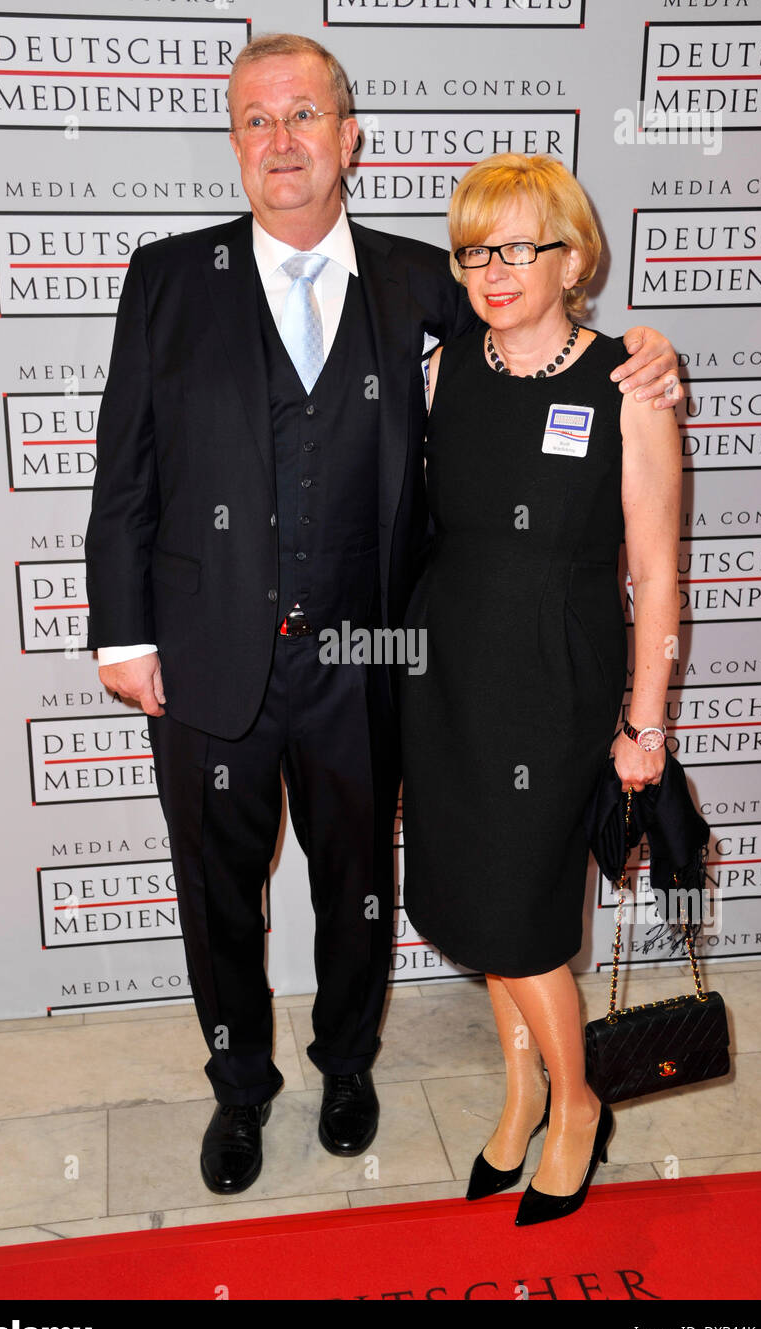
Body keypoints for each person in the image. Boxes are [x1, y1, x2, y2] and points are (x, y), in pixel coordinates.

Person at [84, 35, 681, 1197]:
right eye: (255, 120)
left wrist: (645, 352)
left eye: (304, 114)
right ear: (234, 145)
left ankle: (347, 1066)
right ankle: (240, 1089)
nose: (281, 140)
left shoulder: (428, 282)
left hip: (372, 656)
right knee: (216, 892)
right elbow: (124, 471)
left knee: (356, 881)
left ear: (348, 138)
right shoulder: (167, 277)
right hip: (206, 661)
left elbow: (543, 345)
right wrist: (125, 632)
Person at [399, 152, 682, 1225]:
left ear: (575, 259)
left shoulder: (626, 381)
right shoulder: (444, 370)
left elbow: (655, 571)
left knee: (522, 924)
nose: (495, 268)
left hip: (557, 683)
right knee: (476, 913)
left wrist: (643, 722)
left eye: (523, 245)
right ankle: (519, 1095)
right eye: (477, 248)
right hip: (447, 679)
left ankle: (579, 1108)